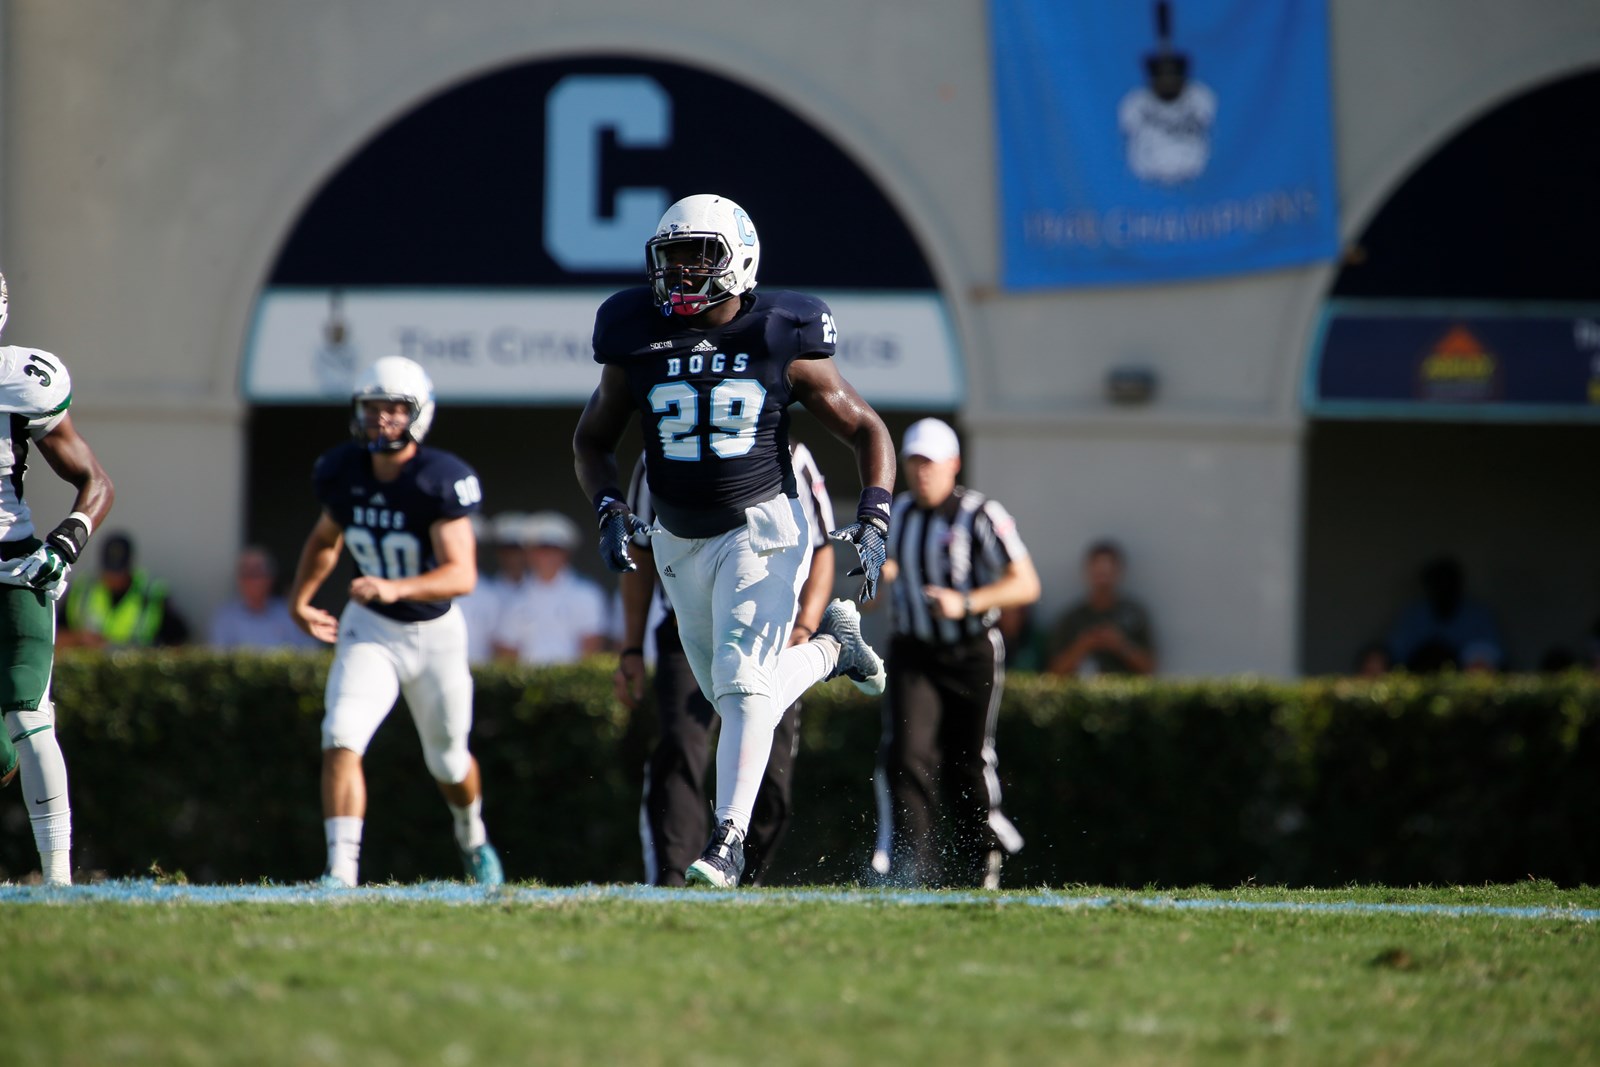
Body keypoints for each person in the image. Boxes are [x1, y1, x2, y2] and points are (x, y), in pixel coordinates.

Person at [573, 192, 896, 889]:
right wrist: (606, 507)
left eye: (701, 256)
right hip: (677, 540)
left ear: (740, 259)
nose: (684, 273)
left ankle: (727, 842)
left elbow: (868, 428)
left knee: (744, 686)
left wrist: (874, 513)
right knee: (733, 694)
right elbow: (592, 438)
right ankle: (833, 649)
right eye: (674, 257)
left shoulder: (781, 329)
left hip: (764, 529)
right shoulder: (632, 330)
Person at [287, 355, 503, 888]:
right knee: (340, 734)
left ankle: (471, 835)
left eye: (394, 408)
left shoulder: (439, 478)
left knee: (450, 762)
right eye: (372, 407)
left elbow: (462, 574)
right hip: (371, 628)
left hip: (435, 634)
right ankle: (340, 871)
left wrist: (394, 586)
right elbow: (324, 539)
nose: (382, 418)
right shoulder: (341, 470)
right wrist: (301, 599)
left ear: (418, 414)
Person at [617, 441, 836, 886]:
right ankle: (678, 881)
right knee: (681, 752)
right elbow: (640, 548)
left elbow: (821, 545)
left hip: (764, 629)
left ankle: (742, 877)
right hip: (688, 627)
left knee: (771, 776)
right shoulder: (659, 449)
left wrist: (807, 624)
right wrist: (632, 648)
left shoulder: (787, 453)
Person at [868, 418, 1039, 889]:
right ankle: (911, 865)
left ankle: (978, 860)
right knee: (906, 755)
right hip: (914, 652)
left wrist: (965, 601)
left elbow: (1026, 583)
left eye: (931, 463)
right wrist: (877, 577)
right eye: (914, 463)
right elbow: (874, 592)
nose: (922, 472)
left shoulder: (980, 514)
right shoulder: (895, 515)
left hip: (970, 651)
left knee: (967, 760)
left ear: (953, 465)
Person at [0, 270, 116, 886]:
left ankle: (59, 881)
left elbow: (96, 482)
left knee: (29, 715)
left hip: (13, 569)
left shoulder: (21, 382)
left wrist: (67, 543)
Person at [490, 510, 610, 666]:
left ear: (566, 553)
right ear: (529, 554)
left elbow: (591, 647)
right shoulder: (515, 597)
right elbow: (507, 650)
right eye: (540, 549)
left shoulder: (586, 593)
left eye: (553, 549)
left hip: (571, 682)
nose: (546, 556)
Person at [1044, 539, 1158, 678]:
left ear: (1118, 572)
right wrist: (1083, 645)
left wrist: (1120, 645)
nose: (1103, 580)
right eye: (1098, 573)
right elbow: (1054, 673)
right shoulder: (1072, 618)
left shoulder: (1133, 614)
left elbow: (1149, 668)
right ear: (1088, 572)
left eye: (1108, 572)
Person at [58, 530, 190, 648]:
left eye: (120, 571)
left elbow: (179, 640)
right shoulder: (82, 589)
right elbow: (54, 634)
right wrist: (79, 638)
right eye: (110, 570)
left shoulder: (152, 593)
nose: (115, 578)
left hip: (137, 671)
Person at [1384, 555, 1504, 673]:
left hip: (1467, 686)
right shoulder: (1413, 614)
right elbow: (1395, 656)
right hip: (1417, 683)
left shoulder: (1478, 615)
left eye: (1448, 583)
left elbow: (1496, 658)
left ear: (1457, 585)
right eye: (1438, 584)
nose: (1443, 590)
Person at [207, 545, 320, 651]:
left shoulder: (291, 614)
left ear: (270, 578)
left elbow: (309, 653)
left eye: (257, 573)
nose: (251, 580)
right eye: (246, 574)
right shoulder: (225, 617)